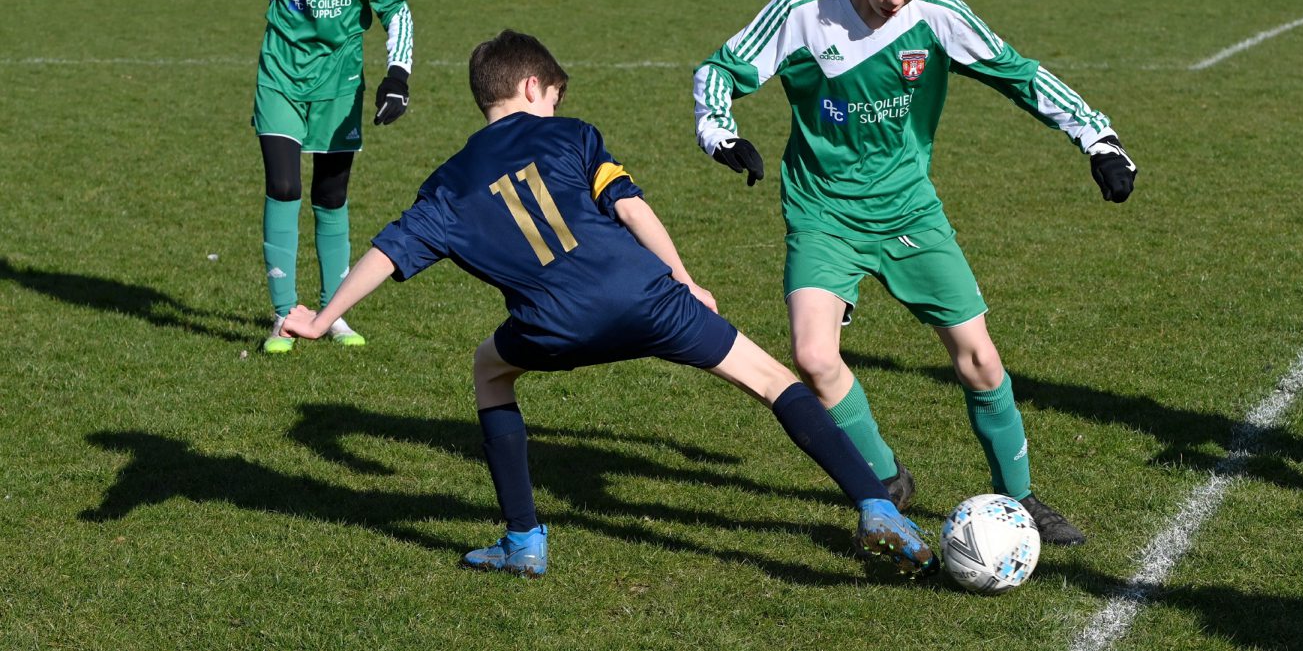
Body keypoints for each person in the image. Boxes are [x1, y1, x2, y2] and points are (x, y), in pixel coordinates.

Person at [280, 29, 938, 579]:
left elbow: (387, 252)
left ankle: (524, 539)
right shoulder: (571, 135)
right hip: (645, 295)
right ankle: (876, 504)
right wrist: (682, 275)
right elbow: (630, 205)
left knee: (489, 368)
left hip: (553, 326)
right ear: (536, 88)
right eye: (555, 93)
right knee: (772, 380)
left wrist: (323, 313)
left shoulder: (447, 184)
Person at [692, 0, 1139, 546]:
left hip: (909, 211)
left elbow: (1019, 73)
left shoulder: (938, 13)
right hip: (825, 215)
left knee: (980, 362)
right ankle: (885, 478)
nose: (895, 0)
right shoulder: (803, 10)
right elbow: (720, 72)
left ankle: (1021, 499)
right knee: (814, 355)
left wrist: (1097, 139)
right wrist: (720, 132)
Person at [255, 0, 415, 354]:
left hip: (340, 85)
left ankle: (332, 313)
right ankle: (283, 315)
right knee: (283, 185)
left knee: (331, 194)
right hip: (280, 74)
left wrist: (398, 76)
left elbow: (398, 12)